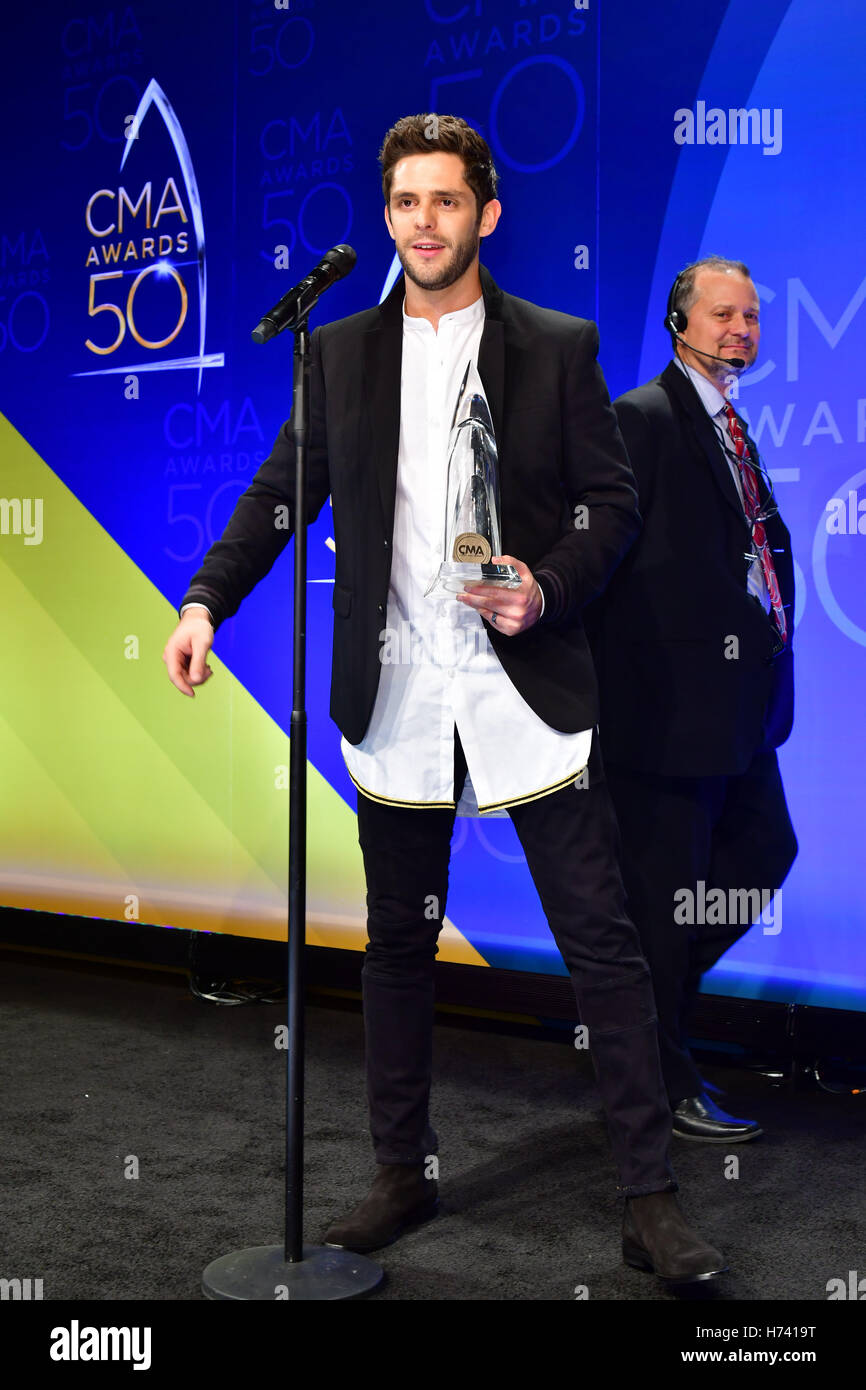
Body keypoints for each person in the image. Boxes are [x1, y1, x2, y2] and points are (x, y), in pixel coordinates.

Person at [163, 115, 727, 1282]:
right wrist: (205, 603)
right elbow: (282, 493)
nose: (426, 221)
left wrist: (547, 585)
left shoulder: (555, 346)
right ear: (389, 217)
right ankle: (398, 1172)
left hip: (524, 681)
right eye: (407, 203)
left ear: (486, 213)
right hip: (399, 691)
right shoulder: (341, 354)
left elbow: (605, 506)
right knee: (395, 948)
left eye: (446, 201)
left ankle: (649, 1199)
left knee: (604, 948)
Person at [586, 256, 797, 1142]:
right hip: (665, 717)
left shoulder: (732, 428)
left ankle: (632, 1013)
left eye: (750, 316)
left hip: (738, 715)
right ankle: (662, 1079)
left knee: (762, 853)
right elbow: (606, 556)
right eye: (722, 315)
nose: (740, 329)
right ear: (680, 322)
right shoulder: (642, 418)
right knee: (668, 904)